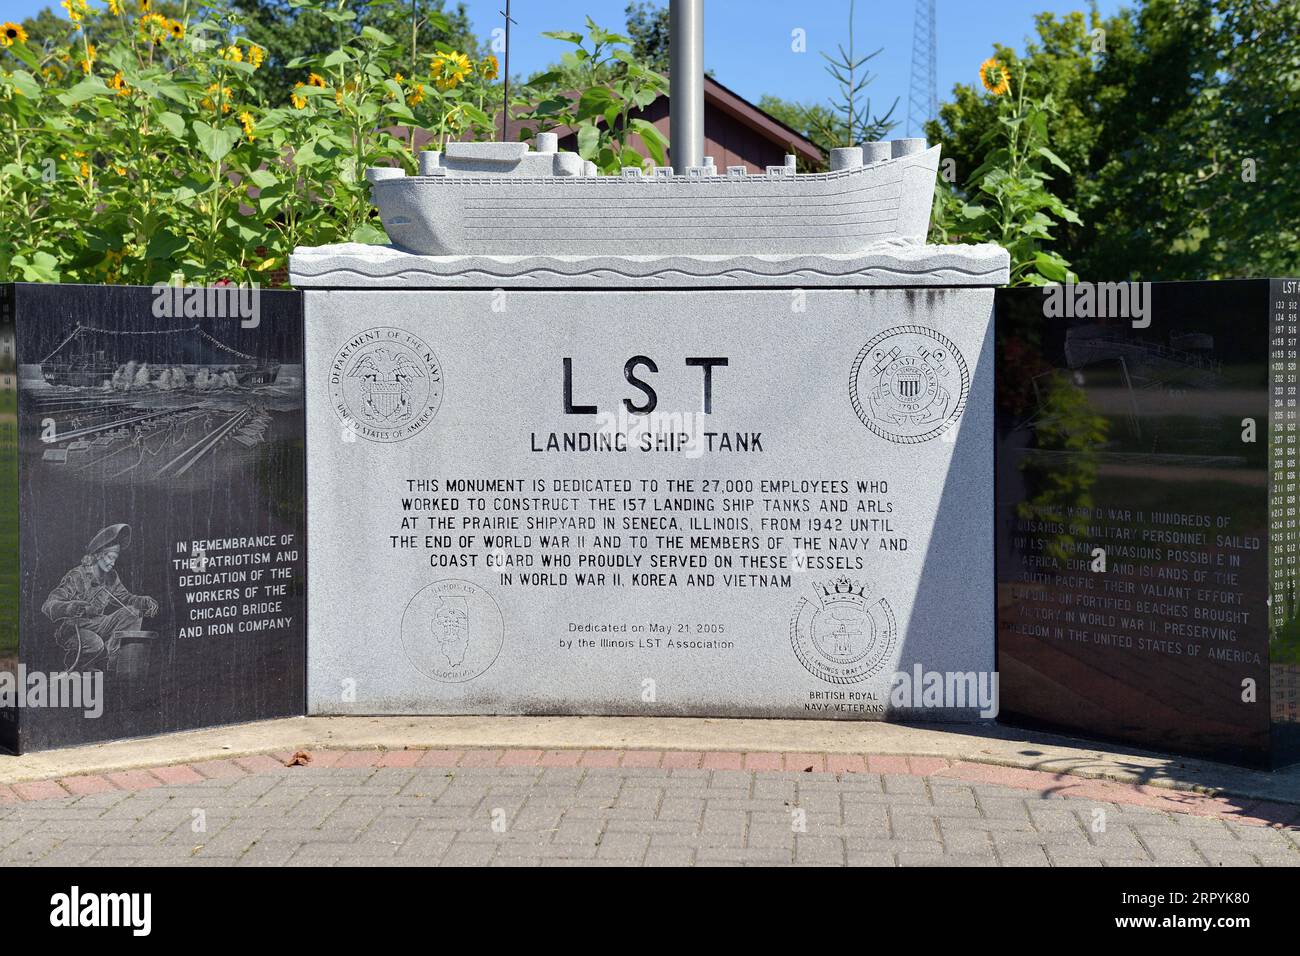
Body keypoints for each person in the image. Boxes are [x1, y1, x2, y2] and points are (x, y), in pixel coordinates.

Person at [41, 524, 158, 670]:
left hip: (99, 624)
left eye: (115, 558)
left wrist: (142, 601)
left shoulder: (111, 577)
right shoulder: (78, 576)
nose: (113, 563)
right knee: (95, 644)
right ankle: (76, 664)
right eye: (110, 557)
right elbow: (49, 604)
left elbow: (126, 598)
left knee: (133, 612)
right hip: (74, 628)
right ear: (98, 555)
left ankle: (114, 662)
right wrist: (69, 607)